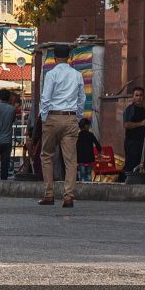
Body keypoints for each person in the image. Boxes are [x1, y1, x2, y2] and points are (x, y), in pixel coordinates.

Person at [37, 44, 85, 207]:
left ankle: (49, 194)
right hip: (70, 118)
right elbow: (82, 99)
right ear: (70, 58)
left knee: (47, 155)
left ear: (55, 58)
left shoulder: (51, 74)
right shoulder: (77, 75)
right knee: (70, 159)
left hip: (53, 117)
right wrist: (77, 117)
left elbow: (45, 98)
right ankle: (68, 196)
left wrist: (45, 118)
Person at [121, 87, 145, 180]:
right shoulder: (130, 109)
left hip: (142, 141)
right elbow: (126, 124)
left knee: (142, 164)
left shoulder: (144, 110)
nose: (138, 98)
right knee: (131, 165)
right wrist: (140, 123)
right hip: (132, 142)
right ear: (133, 97)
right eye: (136, 95)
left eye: (140, 95)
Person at [76, 117, 103, 182]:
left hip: (81, 159)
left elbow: (75, 146)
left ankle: (82, 189)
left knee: (82, 175)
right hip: (89, 158)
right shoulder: (91, 135)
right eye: (89, 125)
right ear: (86, 126)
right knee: (88, 174)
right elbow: (98, 145)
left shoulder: (78, 135)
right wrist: (99, 152)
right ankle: (89, 188)